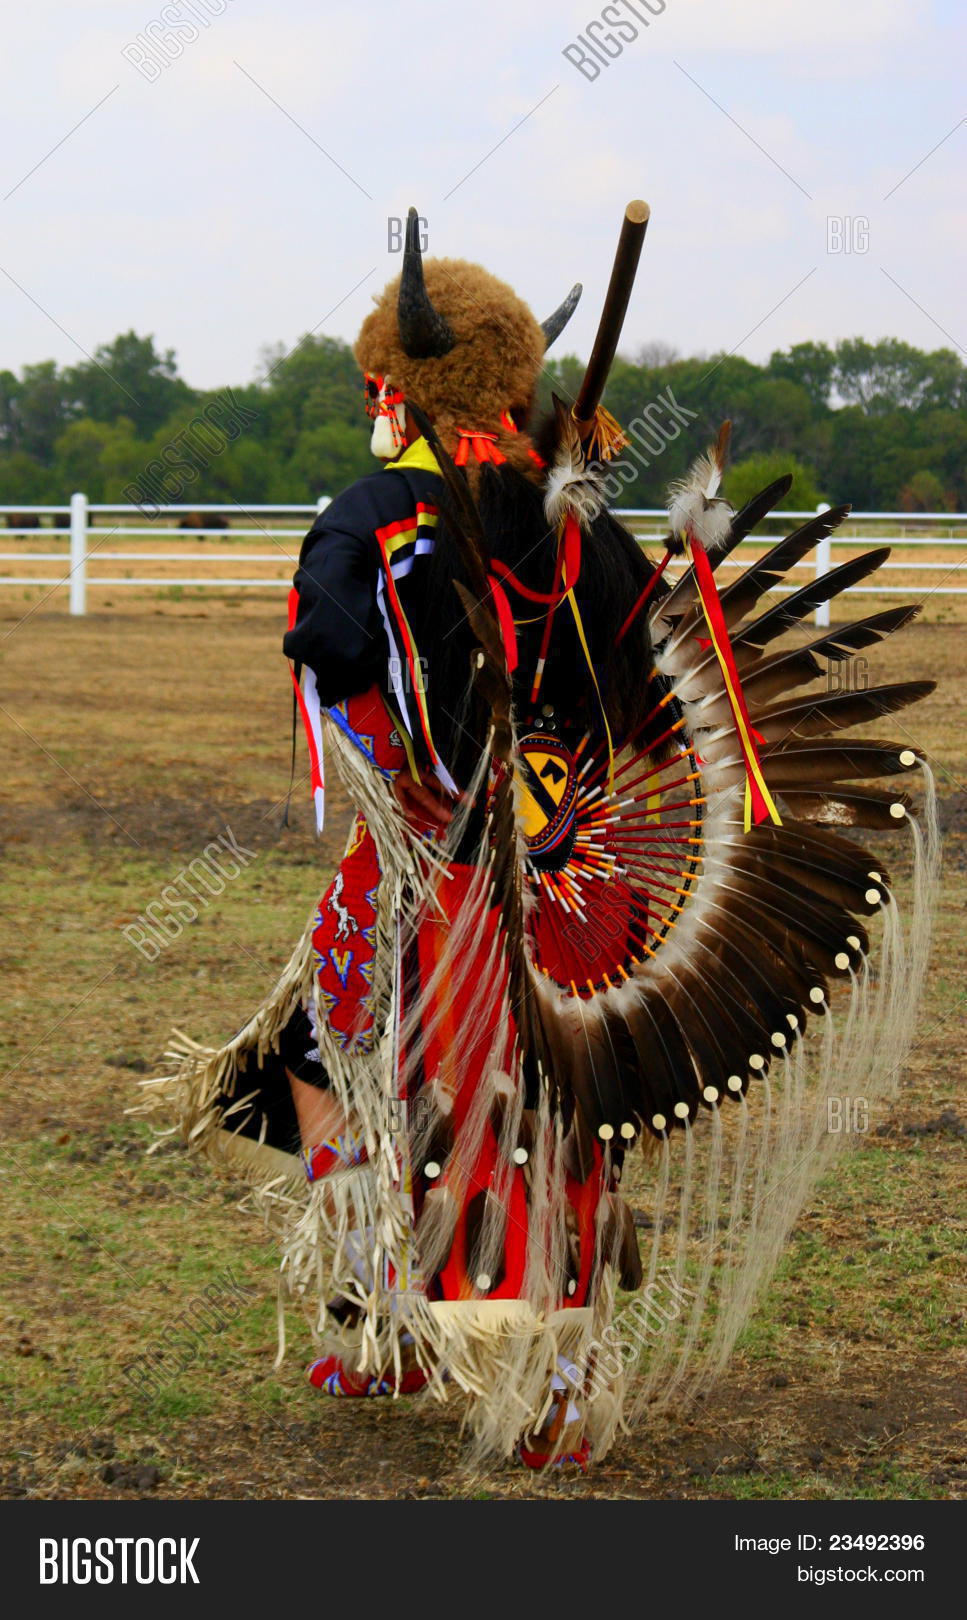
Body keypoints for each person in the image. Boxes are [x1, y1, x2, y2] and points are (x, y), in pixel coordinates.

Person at [143, 206, 937, 1470]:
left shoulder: (374, 511)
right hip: (581, 871)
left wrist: (399, 742)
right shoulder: (569, 516)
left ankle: (398, 1327)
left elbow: (332, 647)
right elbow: (656, 670)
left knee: (347, 1060)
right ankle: (521, 1371)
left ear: (382, 387)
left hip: (434, 868)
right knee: (546, 1103)